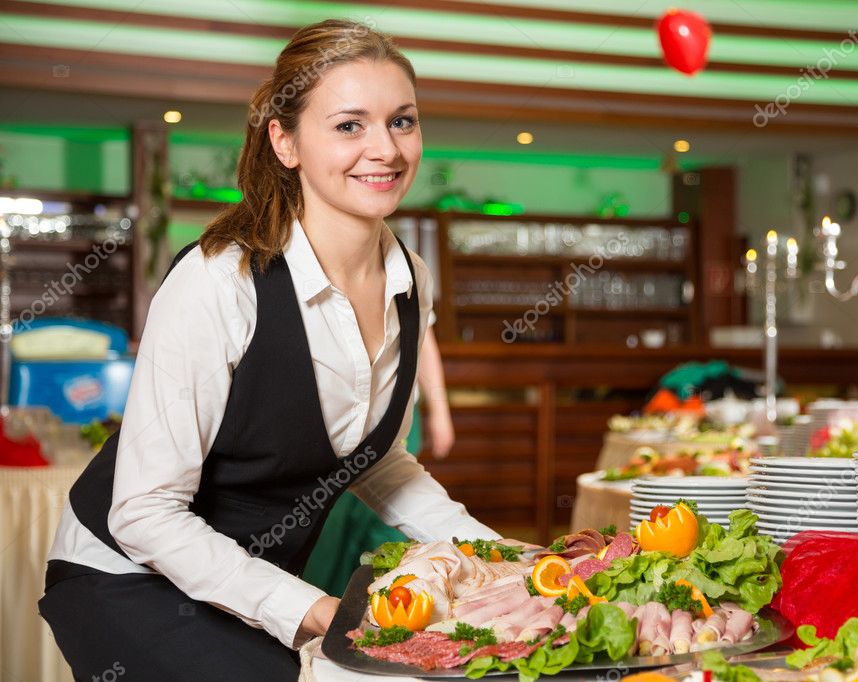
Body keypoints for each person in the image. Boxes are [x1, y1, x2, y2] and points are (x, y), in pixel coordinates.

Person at [39, 19, 509, 681]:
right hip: (125, 576)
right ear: (284, 141)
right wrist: (317, 609)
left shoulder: (410, 281)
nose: (385, 148)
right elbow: (143, 513)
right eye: (349, 125)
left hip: (250, 579)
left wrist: (498, 555)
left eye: (402, 121)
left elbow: (376, 461)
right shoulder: (219, 281)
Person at [302, 325, 455, 596]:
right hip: (333, 417)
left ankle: (384, 613)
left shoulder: (415, 285)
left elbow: (423, 334)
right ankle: (321, 618)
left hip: (395, 414)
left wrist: (439, 409)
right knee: (327, 528)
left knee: (388, 530)